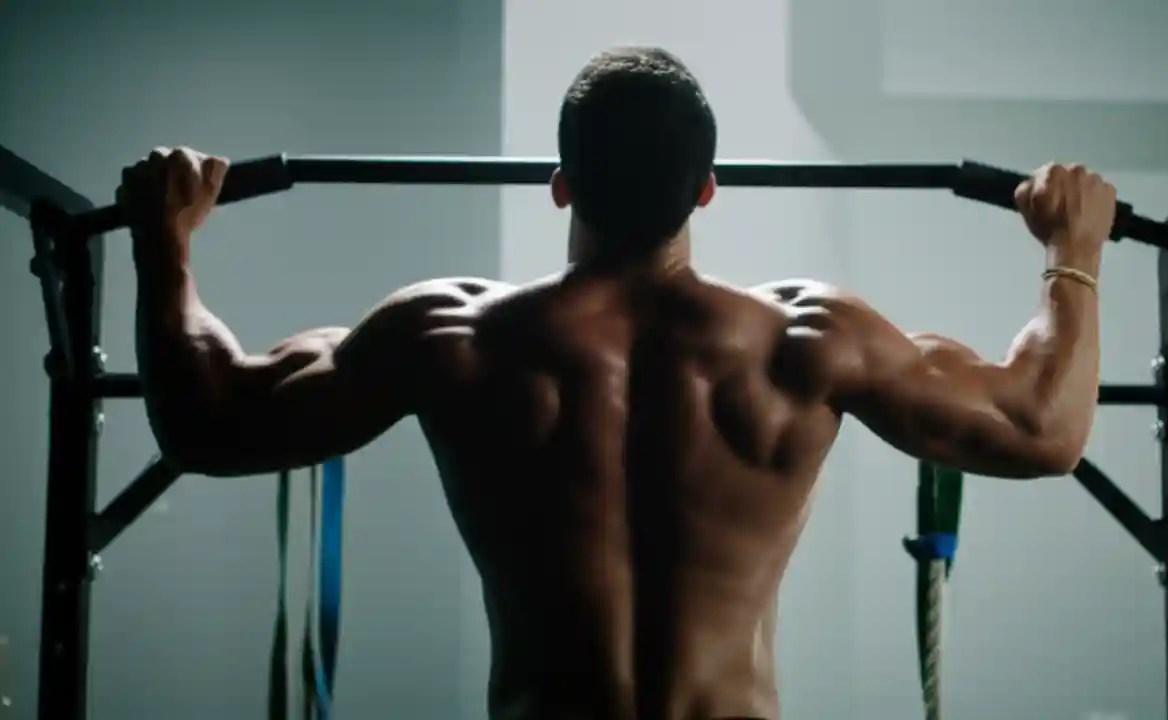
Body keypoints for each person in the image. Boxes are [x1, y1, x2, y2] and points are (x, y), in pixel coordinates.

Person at [119, 46, 1114, 720]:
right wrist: (1070, 254)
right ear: (706, 187)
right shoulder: (807, 341)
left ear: (560, 182)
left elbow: (209, 419)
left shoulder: (454, 336)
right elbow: (1040, 427)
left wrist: (164, 242)